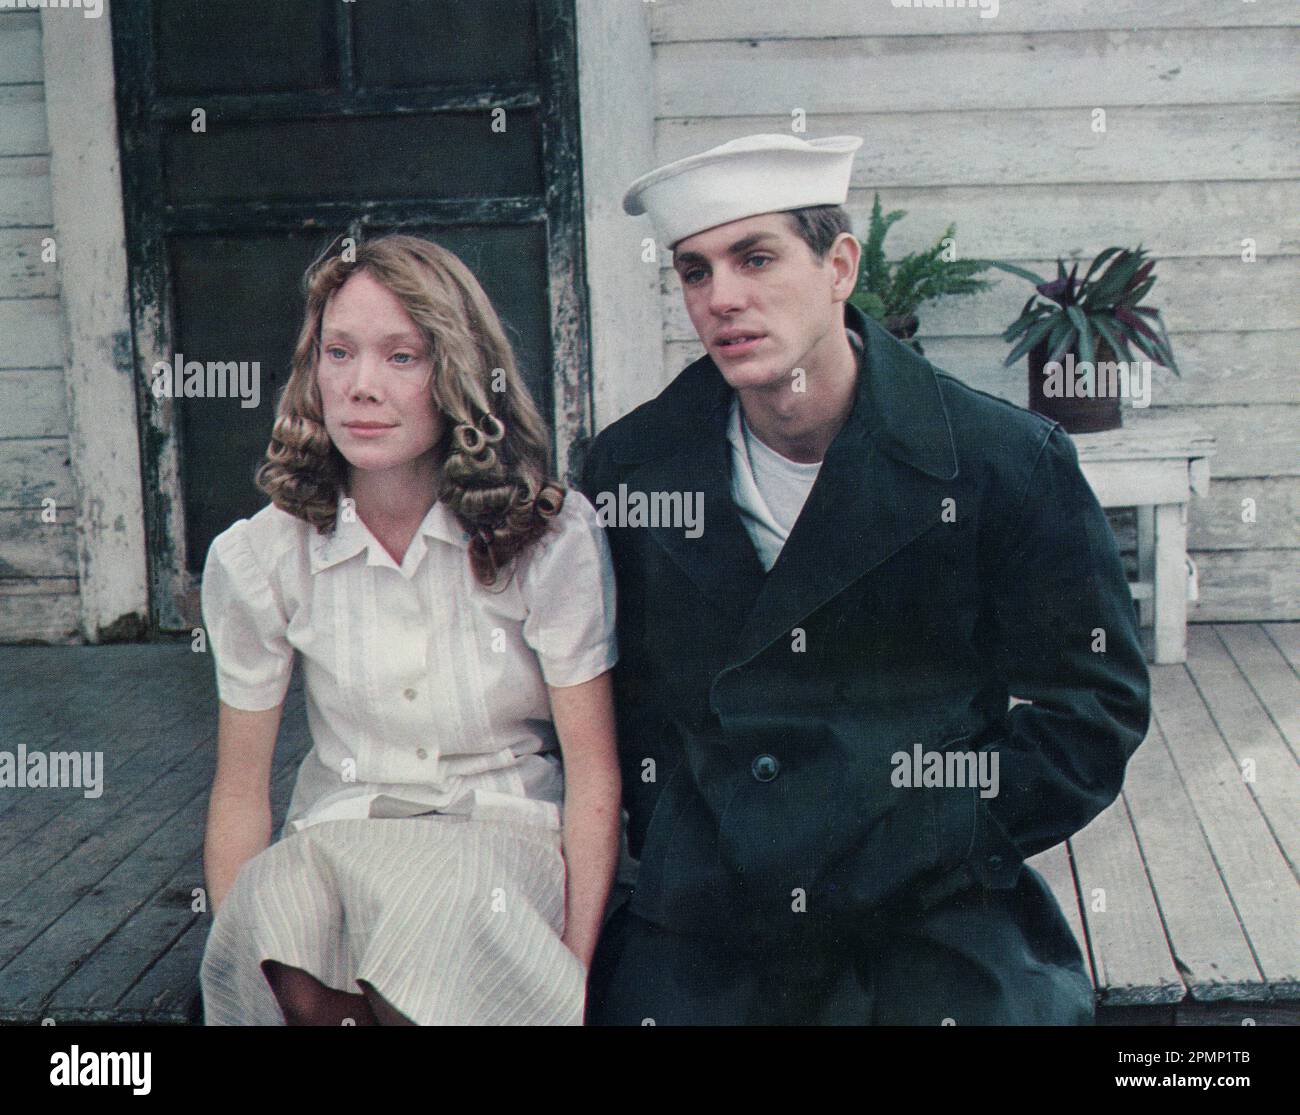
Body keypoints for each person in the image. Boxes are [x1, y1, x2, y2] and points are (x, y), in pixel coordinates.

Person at [580, 134, 1151, 1025]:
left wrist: (943, 828)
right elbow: (623, 701)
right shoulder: (633, 468)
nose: (722, 297)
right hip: (714, 911)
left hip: (926, 894)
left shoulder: (999, 462)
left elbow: (1094, 708)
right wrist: (682, 840)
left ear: (839, 264)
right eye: (695, 272)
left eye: (756, 258)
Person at [199, 233, 621, 1026]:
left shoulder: (547, 536)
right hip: (341, 829)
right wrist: (240, 945)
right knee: (275, 912)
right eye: (339, 352)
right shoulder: (262, 552)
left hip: (495, 830)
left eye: (403, 357)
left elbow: (594, 773)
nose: (360, 386)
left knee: (438, 921)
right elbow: (241, 791)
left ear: (459, 373)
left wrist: (572, 970)